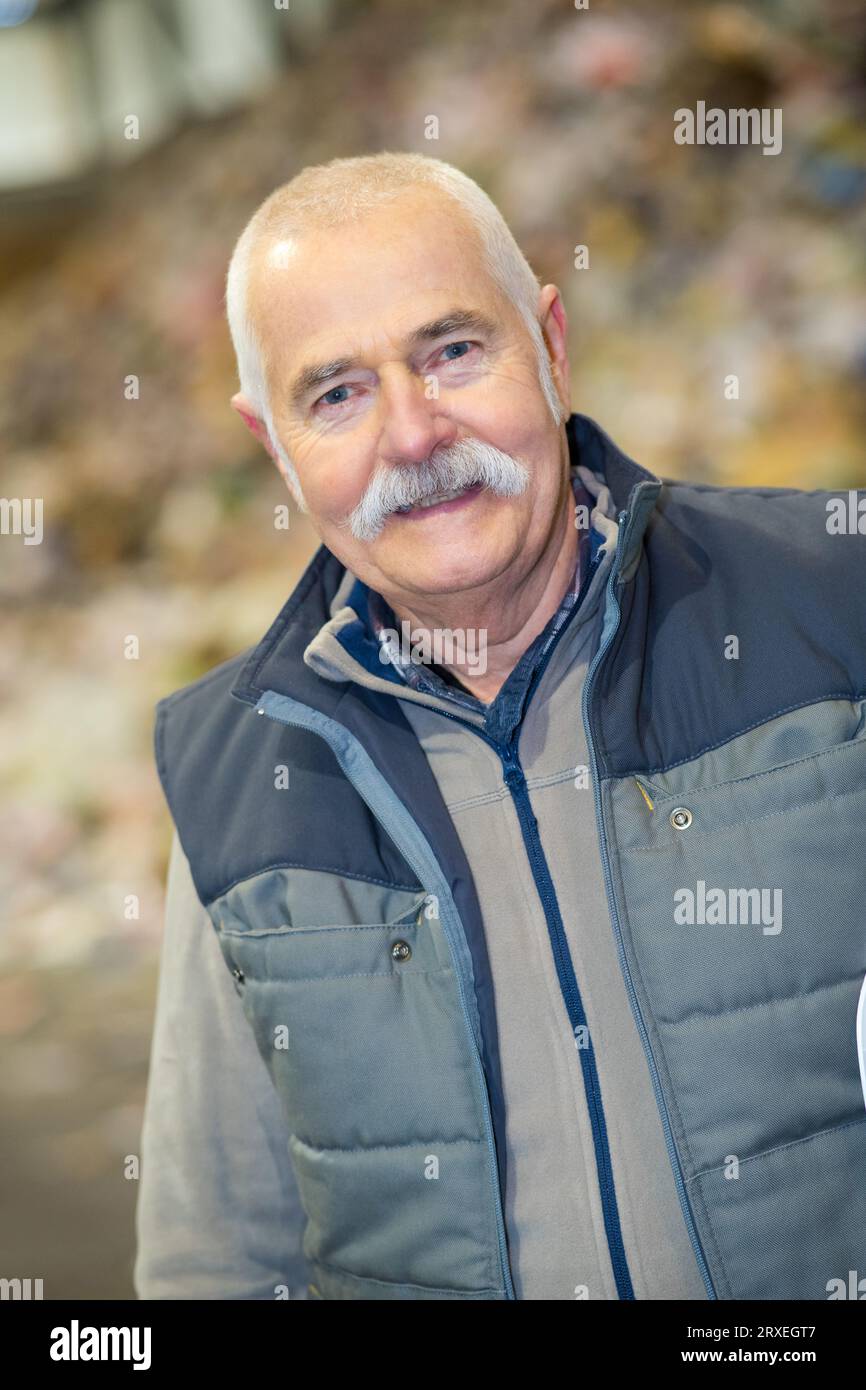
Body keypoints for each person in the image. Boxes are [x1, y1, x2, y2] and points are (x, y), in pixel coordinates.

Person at [135, 151, 866, 1301]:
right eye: (336, 394)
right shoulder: (242, 789)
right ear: (271, 447)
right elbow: (215, 1259)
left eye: (452, 352)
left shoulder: (828, 613)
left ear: (550, 345)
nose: (413, 436)